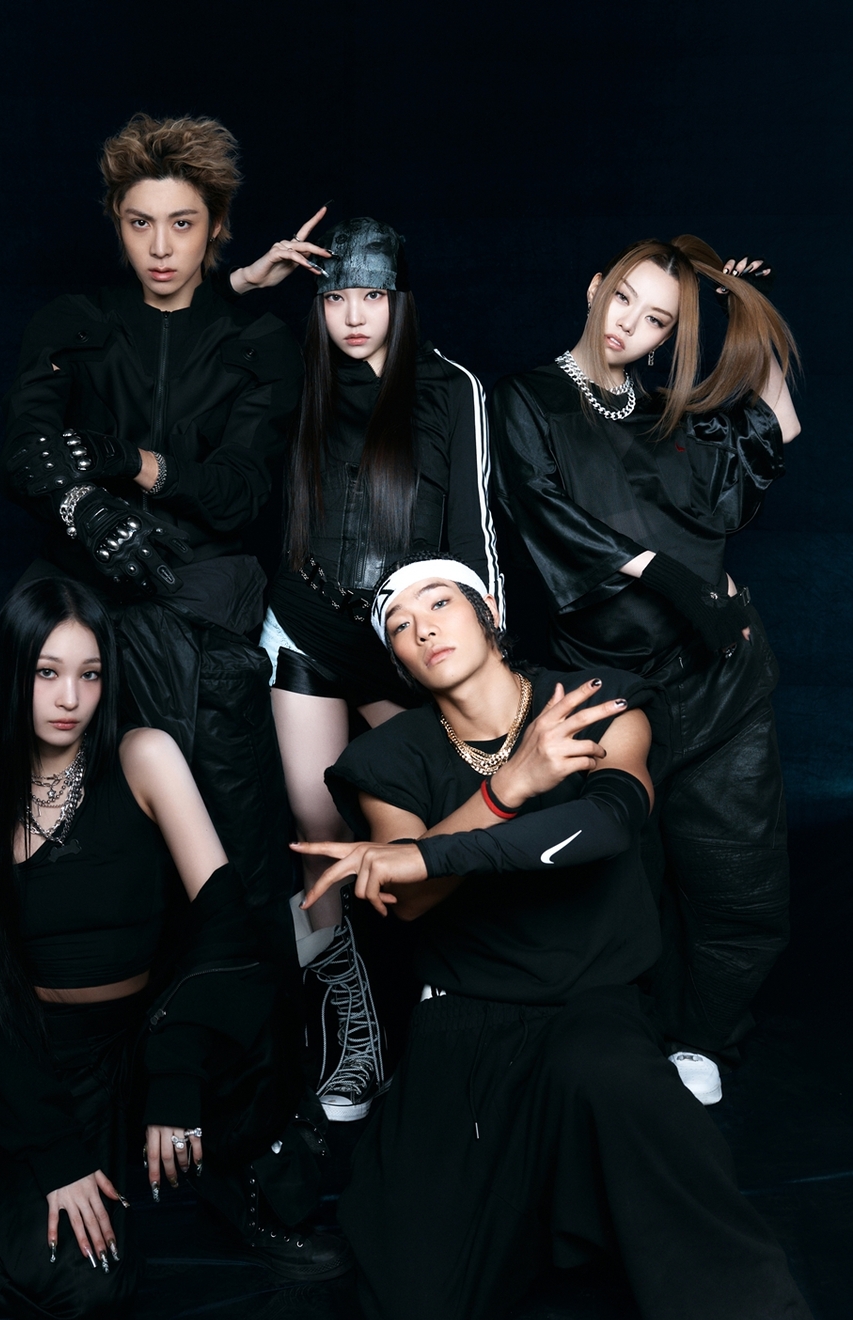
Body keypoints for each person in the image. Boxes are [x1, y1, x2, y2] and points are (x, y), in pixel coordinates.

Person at [295, 557, 853, 1320]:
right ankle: (550, 1213)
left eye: (440, 602)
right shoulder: (389, 757)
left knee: (616, 1076)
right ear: (396, 662)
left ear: (489, 612)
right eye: (399, 624)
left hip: (591, 1009)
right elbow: (413, 900)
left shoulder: (597, 699)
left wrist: (438, 844)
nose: (423, 627)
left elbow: (608, 823)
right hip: (463, 1018)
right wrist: (506, 789)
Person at [0, 579, 349, 1320]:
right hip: (35, 1069)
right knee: (88, 1302)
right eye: (47, 672)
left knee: (257, 985)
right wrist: (57, 1160)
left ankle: (246, 1187)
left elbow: (223, 920)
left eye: (90, 673)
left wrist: (176, 1076)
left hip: (145, 1038)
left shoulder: (143, 756)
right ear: (12, 674)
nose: (70, 697)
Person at [0, 111, 332, 915]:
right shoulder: (72, 323)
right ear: (117, 223)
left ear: (215, 227)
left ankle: (244, 964)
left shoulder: (258, 345)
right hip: (79, 580)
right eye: (138, 222)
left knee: (228, 799)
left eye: (181, 224)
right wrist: (83, 507)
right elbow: (26, 453)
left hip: (201, 594)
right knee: (49, 746)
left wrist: (126, 461)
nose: (159, 247)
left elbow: (238, 493)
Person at [491, 237, 800, 1104]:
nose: (629, 324)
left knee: (737, 869)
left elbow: (777, 426)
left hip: (721, 677)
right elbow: (542, 511)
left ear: (670, 335)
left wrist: (743, 315)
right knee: (622, 869)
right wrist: (670, 579)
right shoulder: (527, 399)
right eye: (623, 297)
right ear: (595, 286)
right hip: (611, 683)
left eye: (658, 318)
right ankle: (621, 1034)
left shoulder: (674, 413)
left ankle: (703, 1039)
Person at [258, 216, 502, 1121]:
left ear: (399, 298)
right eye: (336, 299)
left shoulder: (451, 388)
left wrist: (484, 660)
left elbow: (476, 533)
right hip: (307, 631)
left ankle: (452, 1016)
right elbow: (205, 351)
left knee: (434, 835)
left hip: (404, 646)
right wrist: (246, 284)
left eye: (371, 296)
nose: (354, 316)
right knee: (319, 832)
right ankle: (349, 1036)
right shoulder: (294, 378)